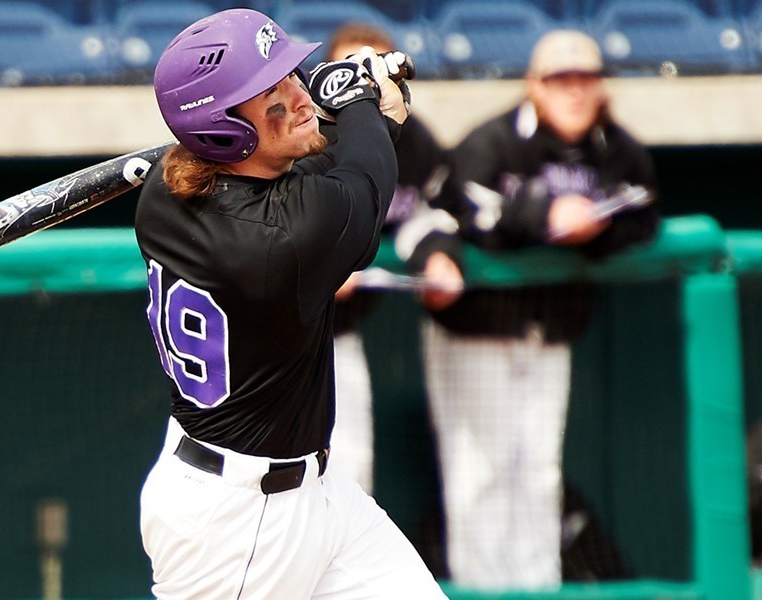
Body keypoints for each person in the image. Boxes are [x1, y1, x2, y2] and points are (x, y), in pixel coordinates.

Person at [133, 8, 448, 599]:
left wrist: (349, 107)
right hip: (236, 526)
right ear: (225, 133)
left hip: (316, 492)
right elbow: (363, 183)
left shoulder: (165, 192)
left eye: (291, 78)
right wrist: (361, 103)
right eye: (271, 95)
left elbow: (327, 171)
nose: (299, 97)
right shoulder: (281, 239)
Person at [395, 29, 660, 589]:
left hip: (550, 331)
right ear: (534, 88)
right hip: (476, 334)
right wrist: (545, 214)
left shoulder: (614, 147)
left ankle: (538, 591)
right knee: (481, 479)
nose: (574, 92)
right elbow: (458, 210)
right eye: (560, 81)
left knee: (540, 477)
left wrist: (595, 231)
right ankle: (486, 591)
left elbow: (645, 210)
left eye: (585, 79)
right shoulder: (492, 141)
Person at [323, 22, 451, 495]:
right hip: (282, 334)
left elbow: (441, 211)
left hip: (343, 331)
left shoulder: (413, 140)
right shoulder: (309, 134)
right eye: (351, 68)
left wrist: (438, 253)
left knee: (354, 466)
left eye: (375, 68)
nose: (365, 79)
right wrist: (318, 270)